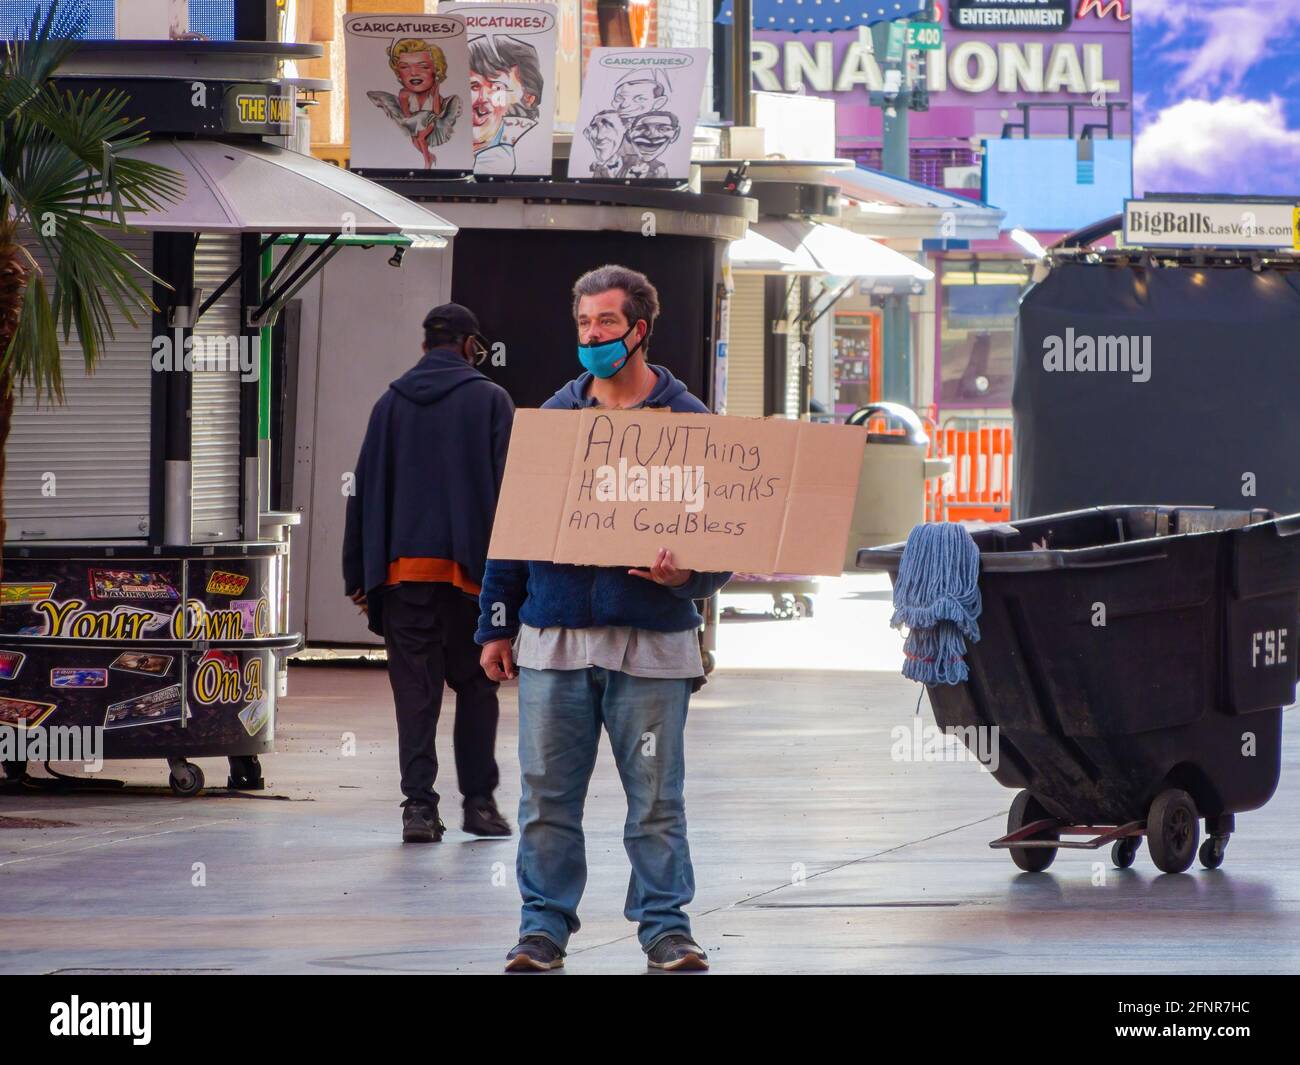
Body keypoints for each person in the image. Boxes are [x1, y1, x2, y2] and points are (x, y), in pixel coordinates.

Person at [476, 265, 731, 972]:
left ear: (639, 330)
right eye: (585, 323)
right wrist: (495, 623)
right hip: (553, 640)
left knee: (655, 801)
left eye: (606, 324)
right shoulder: (553, 423)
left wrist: (690, 578)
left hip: (652, 644)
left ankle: (666, 930)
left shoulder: (691, 425)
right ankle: (541, 931)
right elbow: (513, 528)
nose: (592, 335)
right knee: (545, 800)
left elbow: (728, 543)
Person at [344, 303, 514, 844]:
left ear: (425, 346)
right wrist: (517, 582)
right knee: (478, 687)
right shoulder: (491, 400)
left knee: (415, 697)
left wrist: (358, 574)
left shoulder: (389, 404)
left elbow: (363, 491)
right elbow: (513, 495)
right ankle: (480, 806)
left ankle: (419, 809)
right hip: (471, 584)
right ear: (469, 346)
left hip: (401, 581)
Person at [468, 35, 543, 175]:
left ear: (528, 98)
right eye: (473, 85)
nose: (482, 98)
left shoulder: (523, 151)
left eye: (497, 88)